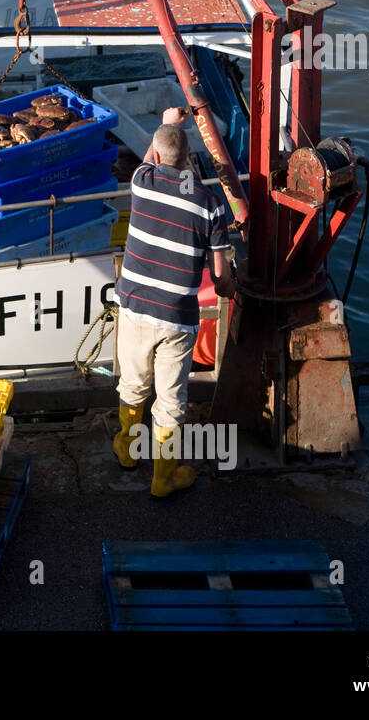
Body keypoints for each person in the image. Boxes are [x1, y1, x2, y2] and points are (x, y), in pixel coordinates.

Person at [112, 107, 237, 497]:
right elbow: (219, 276)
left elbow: (155, 151)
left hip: (133, 307)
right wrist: (231, 286)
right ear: (189, 160)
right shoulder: (211, 204)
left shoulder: (141, 180)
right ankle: (162, 479)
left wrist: (169, 123)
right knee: (170, 401)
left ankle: (127, 450)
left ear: (159, 157)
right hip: (177, 318)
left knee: (133, 385)